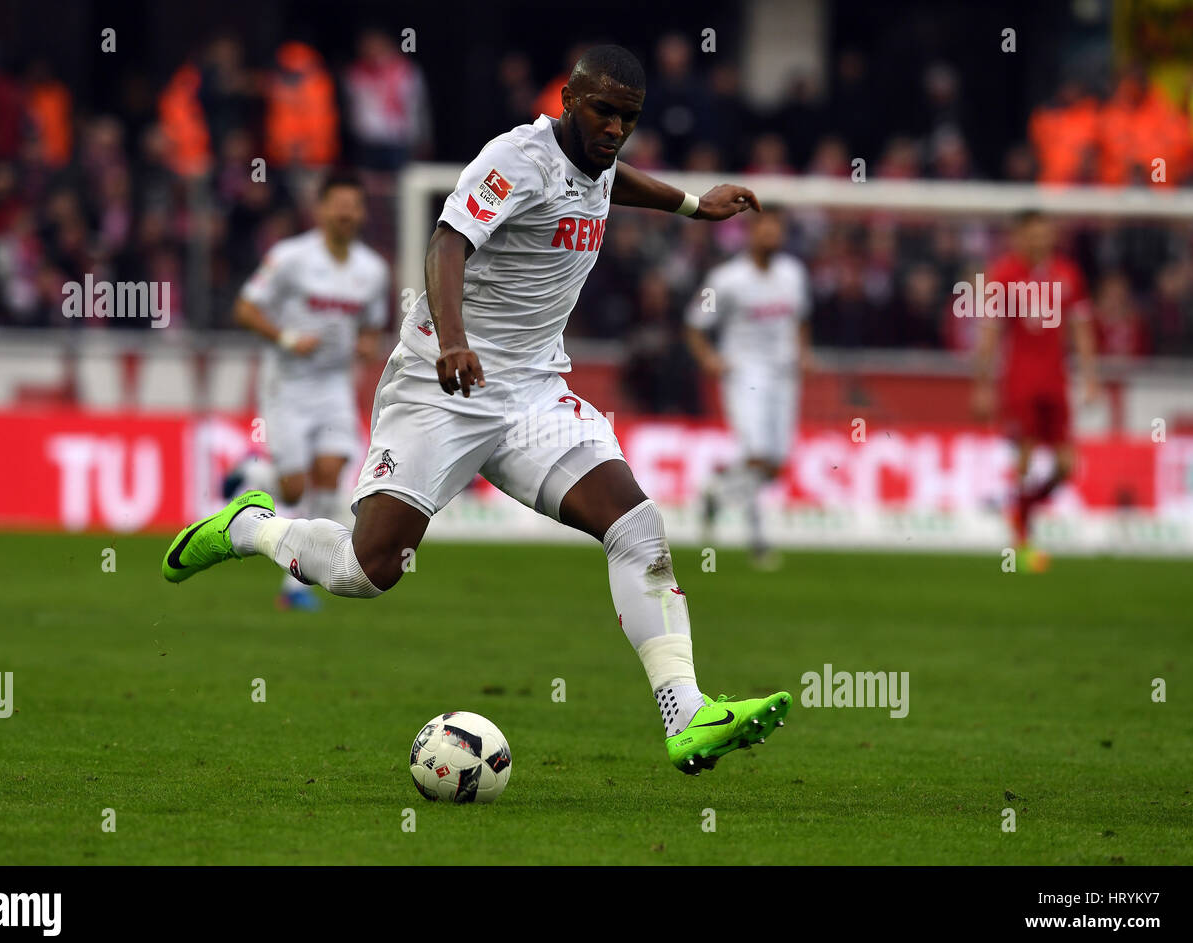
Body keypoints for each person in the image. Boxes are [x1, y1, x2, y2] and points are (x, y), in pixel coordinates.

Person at [163, 45, 791, 774]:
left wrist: (690, 205)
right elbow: (448, 242)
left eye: (629, 117)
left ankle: (685, 713)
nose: (616, 129)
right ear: (568, 100)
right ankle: (249, 528)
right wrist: (452, 343)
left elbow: (609, 184)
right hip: (445, 385)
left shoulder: (598, 157)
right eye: (603, 112)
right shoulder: (514, 159)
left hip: (533, 393)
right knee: (370, 570)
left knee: (636, 527)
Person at [229, 171, 388, 608]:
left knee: (331, 473)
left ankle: (296, 587)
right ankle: (254, 477)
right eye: (336, 203)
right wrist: (285, 338)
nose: (344, 212)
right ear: (319, 210)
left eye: (352, 205)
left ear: (360, 212)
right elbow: (244, 308)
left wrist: (367, 344)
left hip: (334, 385)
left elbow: (372, 325)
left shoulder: (372, 270)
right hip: (288, 383)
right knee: (294, 487)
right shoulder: (290, 258)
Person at [973, 211, 1098, 571]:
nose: (1039, 241)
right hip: (1020, 378)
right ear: (1019, 237)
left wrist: (1090, 377)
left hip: (1056, 380)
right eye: (1032, 235)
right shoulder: (1005, 275)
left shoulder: (1068, 275)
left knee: (1066, 466)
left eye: (1045, 234)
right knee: (1025, 456)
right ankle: (1021, 541)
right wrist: (982, 385)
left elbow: (1081, 328)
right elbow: (990, 333)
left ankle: (1021, 511)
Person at [686, 207, 812, 566]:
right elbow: (694, 324)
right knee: (756, 456)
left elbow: (801, 319)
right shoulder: (727, 279)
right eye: (765, 229)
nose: (772, 235)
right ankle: (758, 541)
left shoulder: (793, 274)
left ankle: (717, 493)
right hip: (745, 375)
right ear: (751, 233)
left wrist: (804, 353)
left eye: (777, 229)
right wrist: (709, 357)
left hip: (785, 375)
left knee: (775, 464)